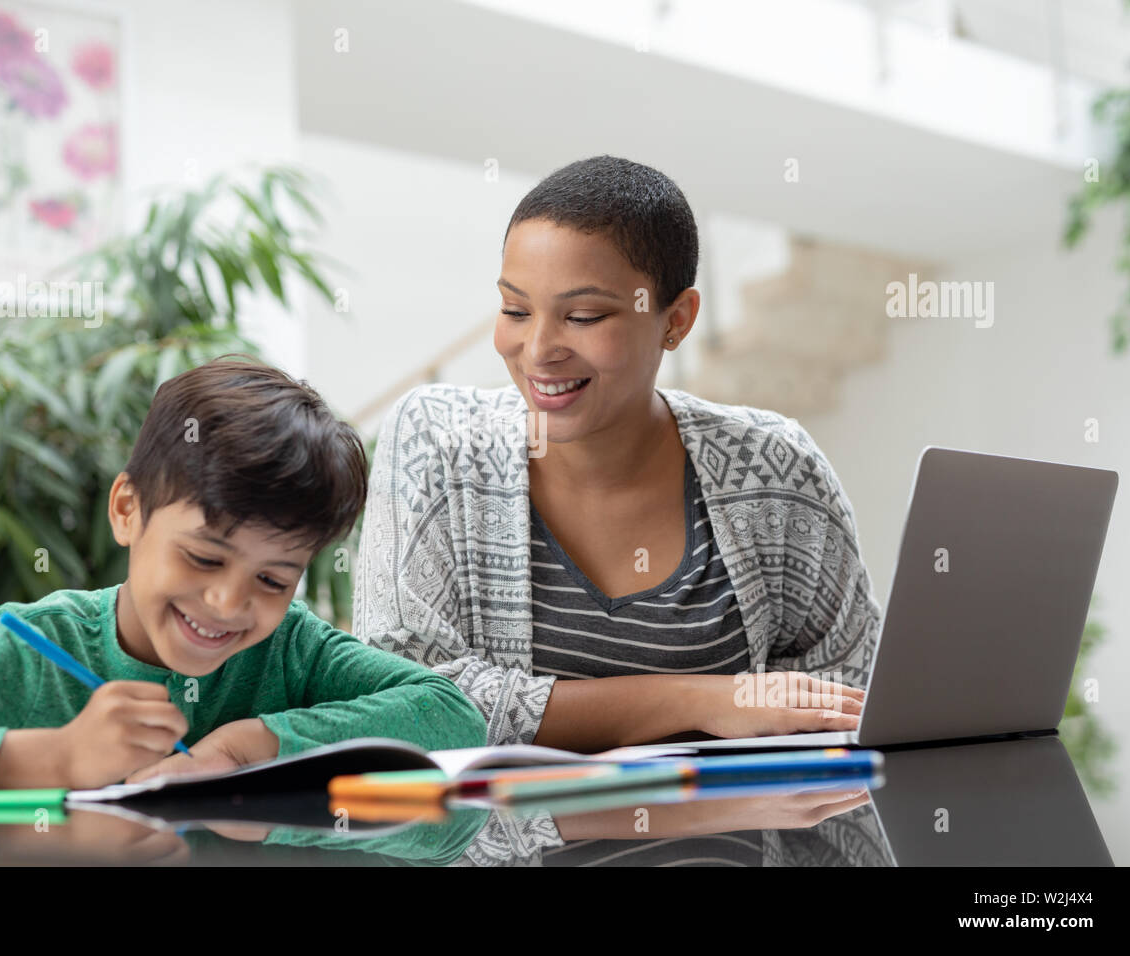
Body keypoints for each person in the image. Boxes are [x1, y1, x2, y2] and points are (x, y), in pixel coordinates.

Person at [354, 155, 881, 754]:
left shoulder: (777, 470)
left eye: (583, 316)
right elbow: (404, 704)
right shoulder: (435, 442)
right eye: (515, 310)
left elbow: (854, 687)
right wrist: (706, 700)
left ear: (675, 321)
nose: (538, 349)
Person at [0, 357, 486, 804]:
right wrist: (54, 759)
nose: (229, 602)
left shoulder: (293, 649)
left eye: (273, 577)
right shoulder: (29, 650)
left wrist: (256, 746)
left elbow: (452, 717)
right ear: (127, 510)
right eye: (205, 558)